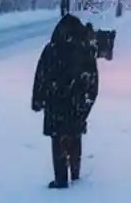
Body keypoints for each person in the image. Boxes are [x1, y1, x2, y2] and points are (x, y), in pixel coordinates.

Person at [32, 14, 99, 189]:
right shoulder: (85, 50)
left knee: (58, 139)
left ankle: (61, 178)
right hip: (77, 103)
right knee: (75, 136)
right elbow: (93, 80)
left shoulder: (52, 49)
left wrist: (38, 100)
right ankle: (75, 173)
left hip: (56, 102)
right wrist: (87, 102)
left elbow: (41, 75)